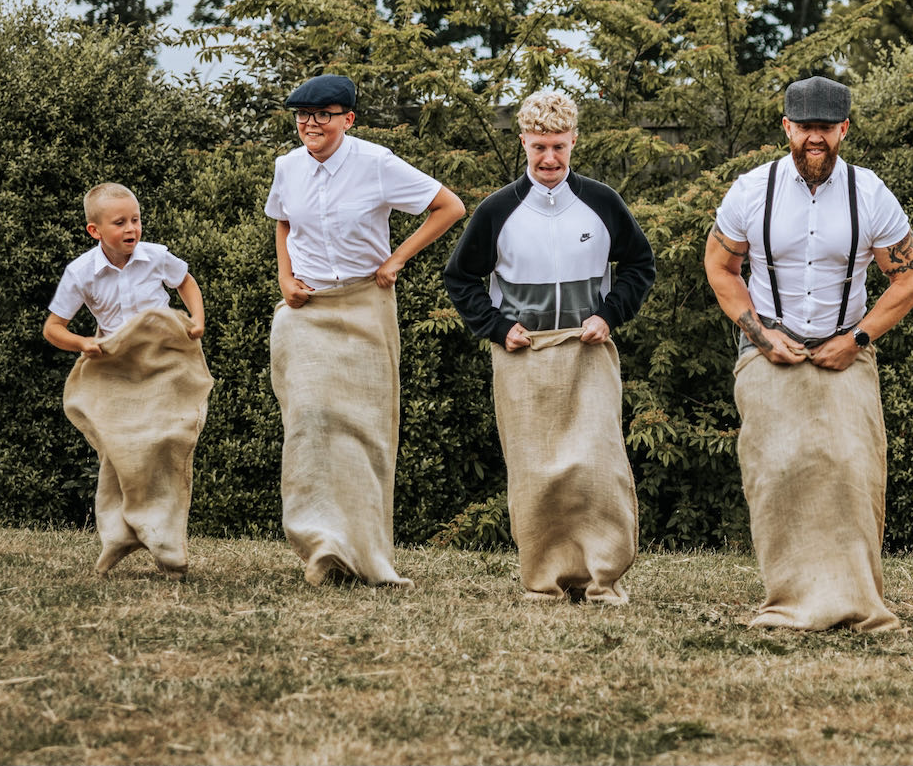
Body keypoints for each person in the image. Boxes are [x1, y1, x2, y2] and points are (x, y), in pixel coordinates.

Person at [704, 75, 913, 632]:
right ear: (787, 128)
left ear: (844, 130)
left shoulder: (871, 194)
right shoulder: (751, 190)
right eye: (805, 128)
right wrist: (760, 335)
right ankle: (788, 600)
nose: (815, 140)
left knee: (854, 469)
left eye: (826, 129)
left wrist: (856, 341)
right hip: (769, 345)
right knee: (776, 470)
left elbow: (910, 277)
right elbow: (720, 267)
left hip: (846, 344)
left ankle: (858, 603)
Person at [443, 91, 656, 603]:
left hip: (588, 354)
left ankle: (603, 579)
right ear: (523, 141)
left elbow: (640, 266)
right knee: (536, 471)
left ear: (574, 141)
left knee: (597, 466)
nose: (549, 159)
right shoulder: (498, 209)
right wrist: (497, 327)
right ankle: (544, 581)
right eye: (539, 147)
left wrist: (609, 315)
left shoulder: (602, 202)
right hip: (524, 357)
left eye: (559, 146)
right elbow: (461, 278)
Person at [266, 74, 466, 586]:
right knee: (309, 421)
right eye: (303, 115)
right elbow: (282, 221)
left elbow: (450, 207)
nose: (310, 123)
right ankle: (323, 549)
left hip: (364, 306)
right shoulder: (286, 167)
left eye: (323, 114)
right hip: (307, 312)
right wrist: (286, 277)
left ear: (347, 119)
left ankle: (368, 554)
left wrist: (397, 259)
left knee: (365, 430)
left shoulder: (376, 164)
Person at [44, 182, 212, 577]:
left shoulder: (155, 256)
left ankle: (167, 545)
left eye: (135, 219)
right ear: (95, 230)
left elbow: (185, 282)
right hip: (117, 365)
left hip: (165, 360)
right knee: (119, 456)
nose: (131, 228)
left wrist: (197, 319)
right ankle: (119, 538)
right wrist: (83, 343)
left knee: (168, 443)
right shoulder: (81, 272)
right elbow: (53, 328)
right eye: (119, 222)